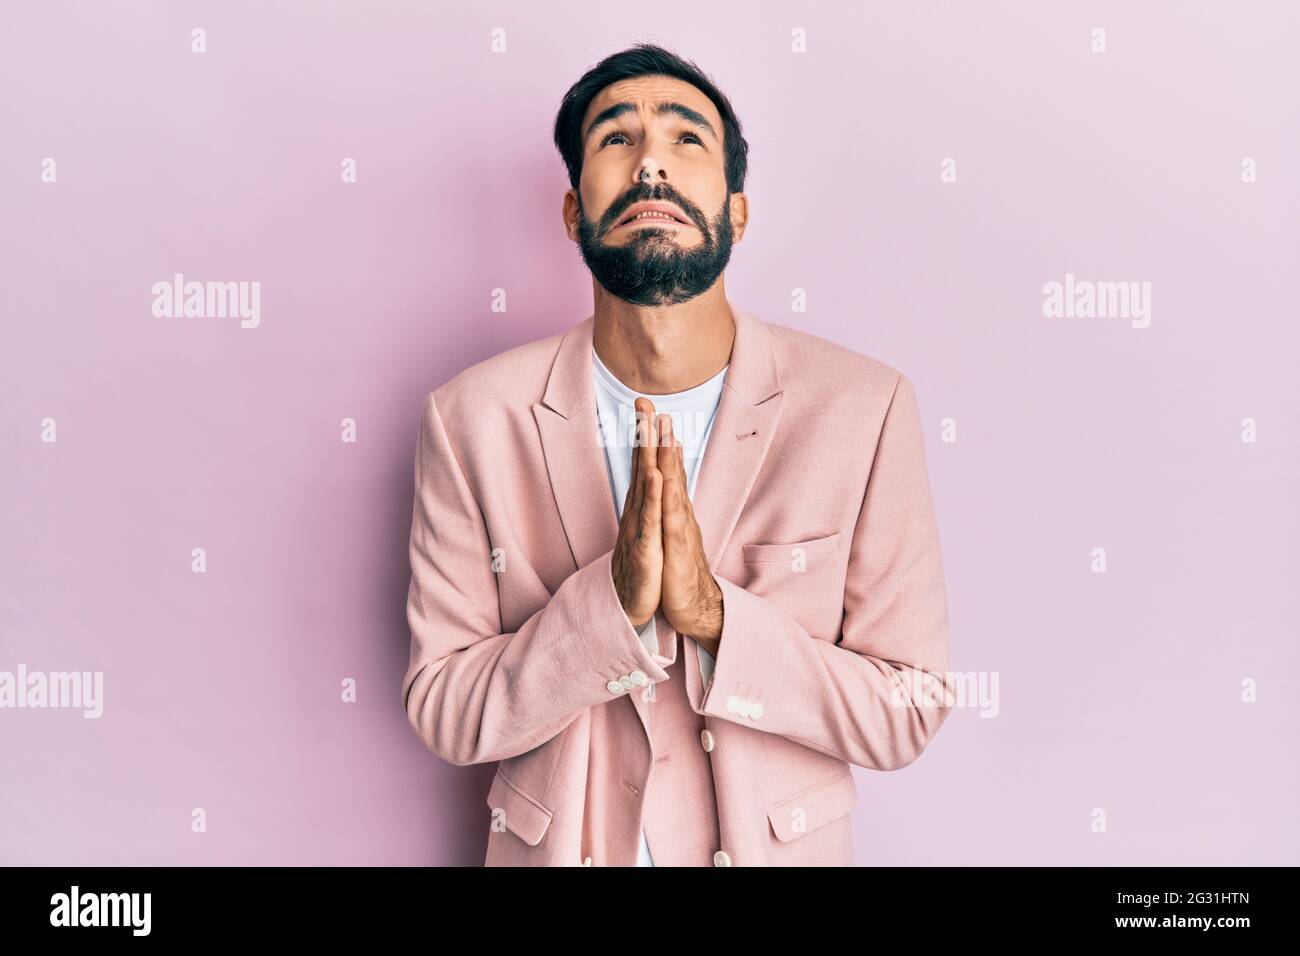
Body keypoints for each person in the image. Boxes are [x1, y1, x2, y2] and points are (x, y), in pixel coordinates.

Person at [402, 43, 954, 866]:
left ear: (736, 212)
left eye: (687, 139)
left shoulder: (863, 408)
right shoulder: (469, 418)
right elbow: (443, 707)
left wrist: (715, 617)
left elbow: (910, 705)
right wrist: (606, 611)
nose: (651, 163)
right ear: (572, 210)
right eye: (616, 140)